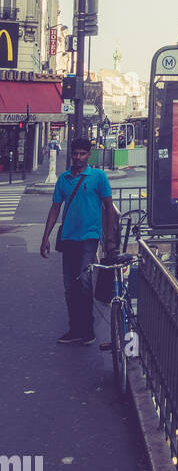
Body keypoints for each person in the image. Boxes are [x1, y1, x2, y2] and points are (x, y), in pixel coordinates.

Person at [40, 137, 117, 345]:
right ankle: (75, 328)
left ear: (88, 155)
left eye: (82, 154)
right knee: (69, 286)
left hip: (89, 238)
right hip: (68, 238)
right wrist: (45, 237)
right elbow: (55, 208)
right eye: (75, 154)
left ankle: (87, 329)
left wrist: (109, 239)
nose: (78, 157)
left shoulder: (98, 177)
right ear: (71, 154)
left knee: (83, 282)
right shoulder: (64, 179)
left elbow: (109, 208)